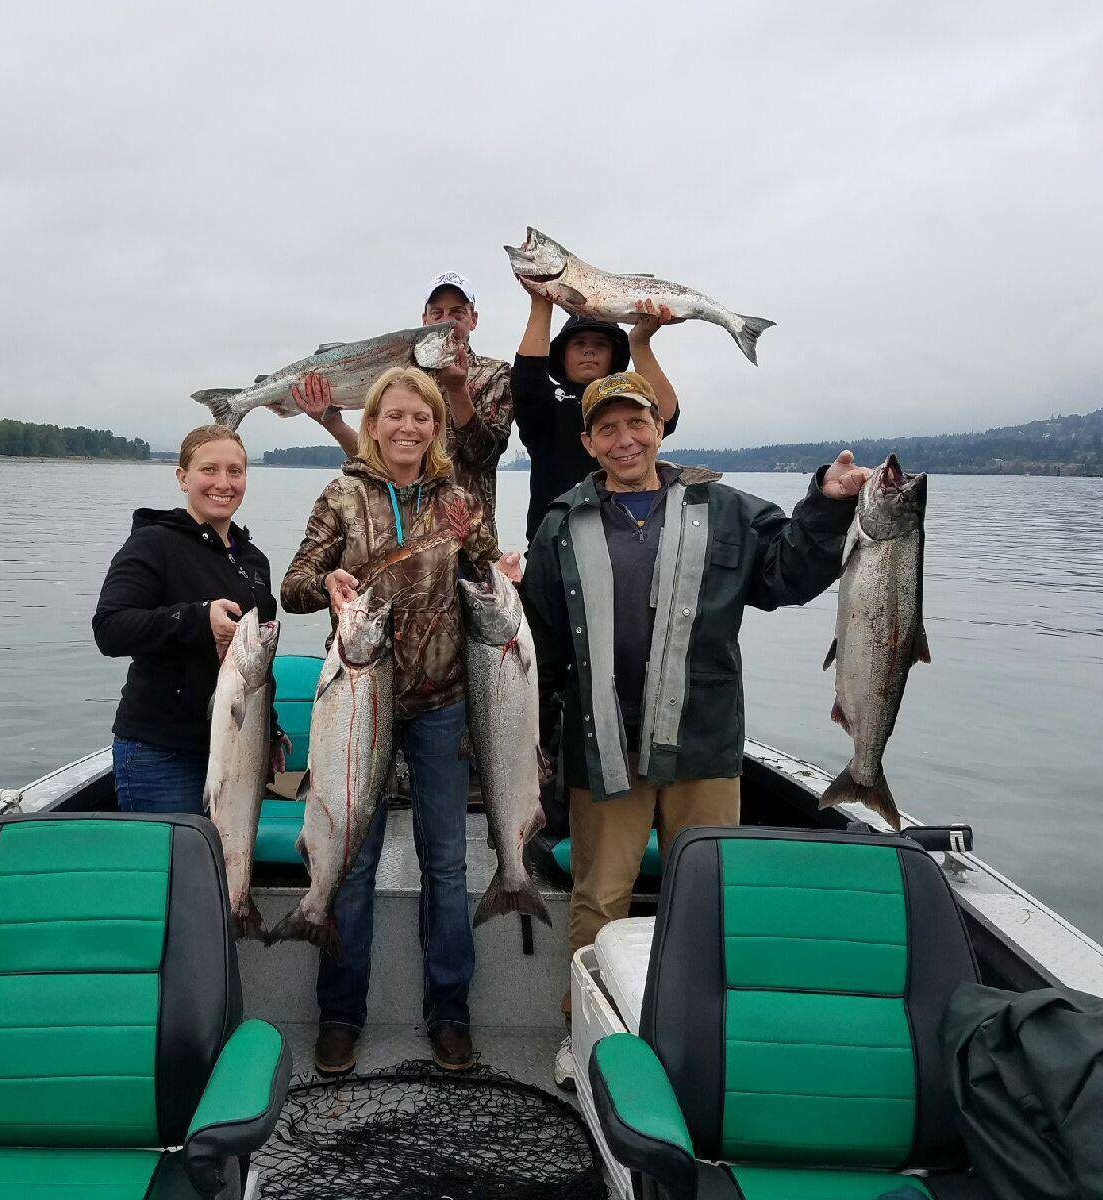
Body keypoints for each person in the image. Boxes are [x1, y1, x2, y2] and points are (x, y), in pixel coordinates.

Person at [519, 371, 872, 1088]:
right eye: (608, 429)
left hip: (705, 741)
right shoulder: (560, 525)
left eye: (636, 424)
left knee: (709, 893)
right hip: (600, 747)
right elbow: (543, 647)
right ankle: (584, 1031)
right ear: (587, 442)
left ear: (658, 428)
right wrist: (535, 746)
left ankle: (699, 1033)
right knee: (600, 898)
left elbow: (788, 578)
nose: (625, 440)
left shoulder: (729, 509)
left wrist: (828, 505)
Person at [280, 366, 521, 1077]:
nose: (409, 428)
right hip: (359, 701)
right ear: (375, 421)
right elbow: (293, 586)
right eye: (395, 415)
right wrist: (325, 581)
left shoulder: (459, 501)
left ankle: (450, 1014)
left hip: (444, 705)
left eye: (422, 417)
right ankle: (340, 1015)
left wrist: (505, 568)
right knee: (351, 862)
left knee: (446, 865)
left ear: (435, 427)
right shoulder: (344, 496)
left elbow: (485, 572)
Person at [93, 424, 286, 813]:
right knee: (175, 873)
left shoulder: (253, 561)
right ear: (183, 477)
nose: (223, 483)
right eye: (209, 470)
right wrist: (198, 619)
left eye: (235, 471)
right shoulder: (153, 544)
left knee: (227, 871)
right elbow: (110, 629)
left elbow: (253, 663)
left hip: (237, 748)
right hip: (161, 754)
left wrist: (269, 726)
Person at [294, 272, 513, 536]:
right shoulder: (398, 380)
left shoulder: (494, 373)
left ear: (473, 319)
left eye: (457, 313)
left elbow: (485, 457)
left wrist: (457, 390)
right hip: (398, 537)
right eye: (437, 314)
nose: (446, 322)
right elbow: (372, 458)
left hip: (469, 538)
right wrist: (331, 421)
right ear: (424, 321)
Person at [512, 287, 684, 542]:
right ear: (562, 354)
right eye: (579, 343)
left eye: (600, 344)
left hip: (626, 540)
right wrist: (541, 301)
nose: (589, 351)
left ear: (614, 354)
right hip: (556, 541)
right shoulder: (546, 402)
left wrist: (640, 342)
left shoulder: (628, 400)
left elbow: (666, 415)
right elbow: (527, 380)